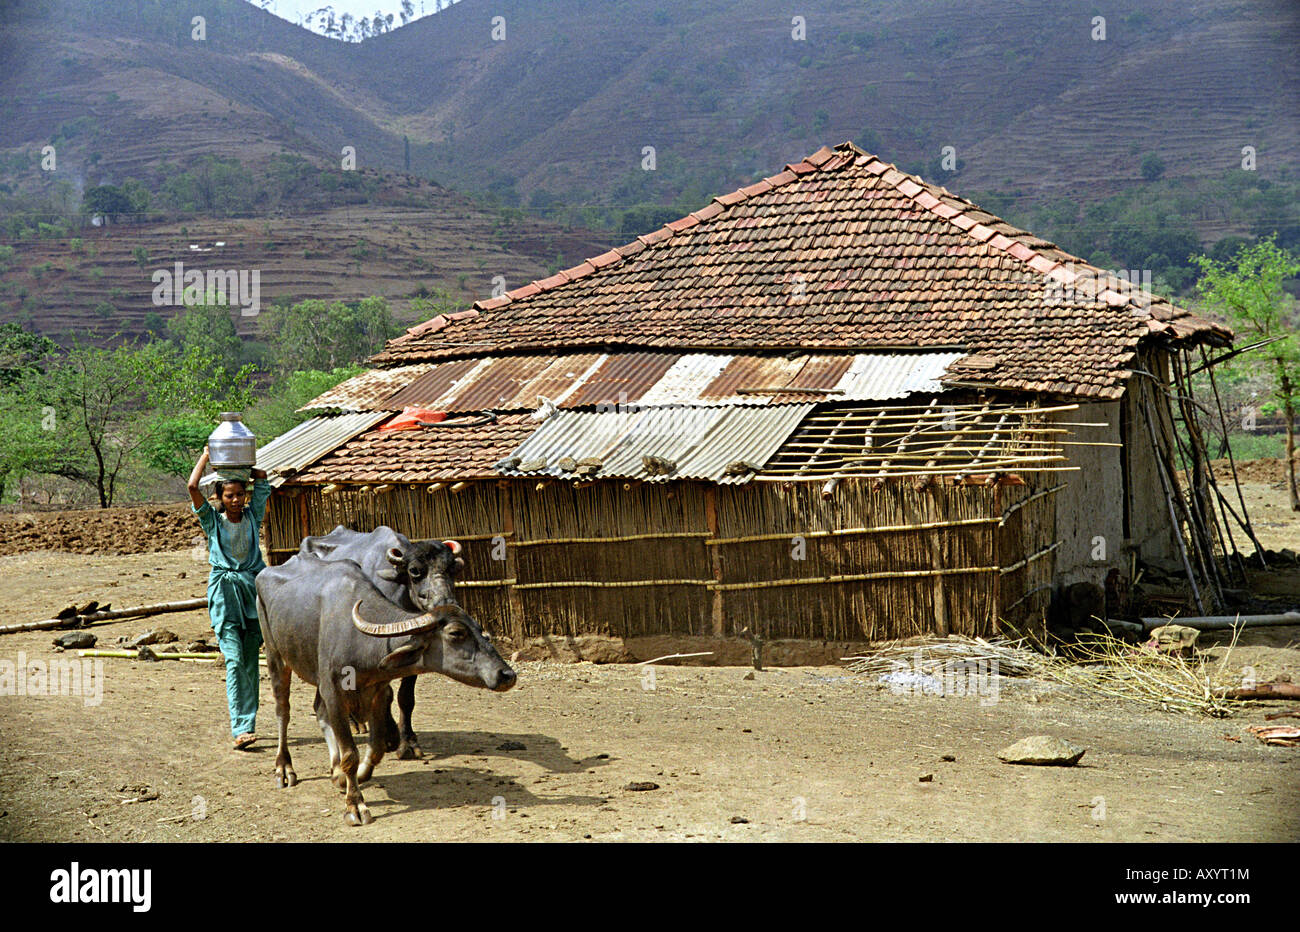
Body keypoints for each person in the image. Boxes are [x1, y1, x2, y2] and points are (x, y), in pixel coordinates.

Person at [187, 446, 271, 751]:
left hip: (252, 595)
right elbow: (192, 486)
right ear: (219, 498)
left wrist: (241, 469)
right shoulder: (213, 522)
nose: (235, 500)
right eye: (228, 495)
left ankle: (248, 725)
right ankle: (240, 728)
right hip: (224, 595)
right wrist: (208, 456)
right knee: (234, 660)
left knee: (250, 663)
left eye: (239, 494)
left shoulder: (253, 516)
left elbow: (262, 480)